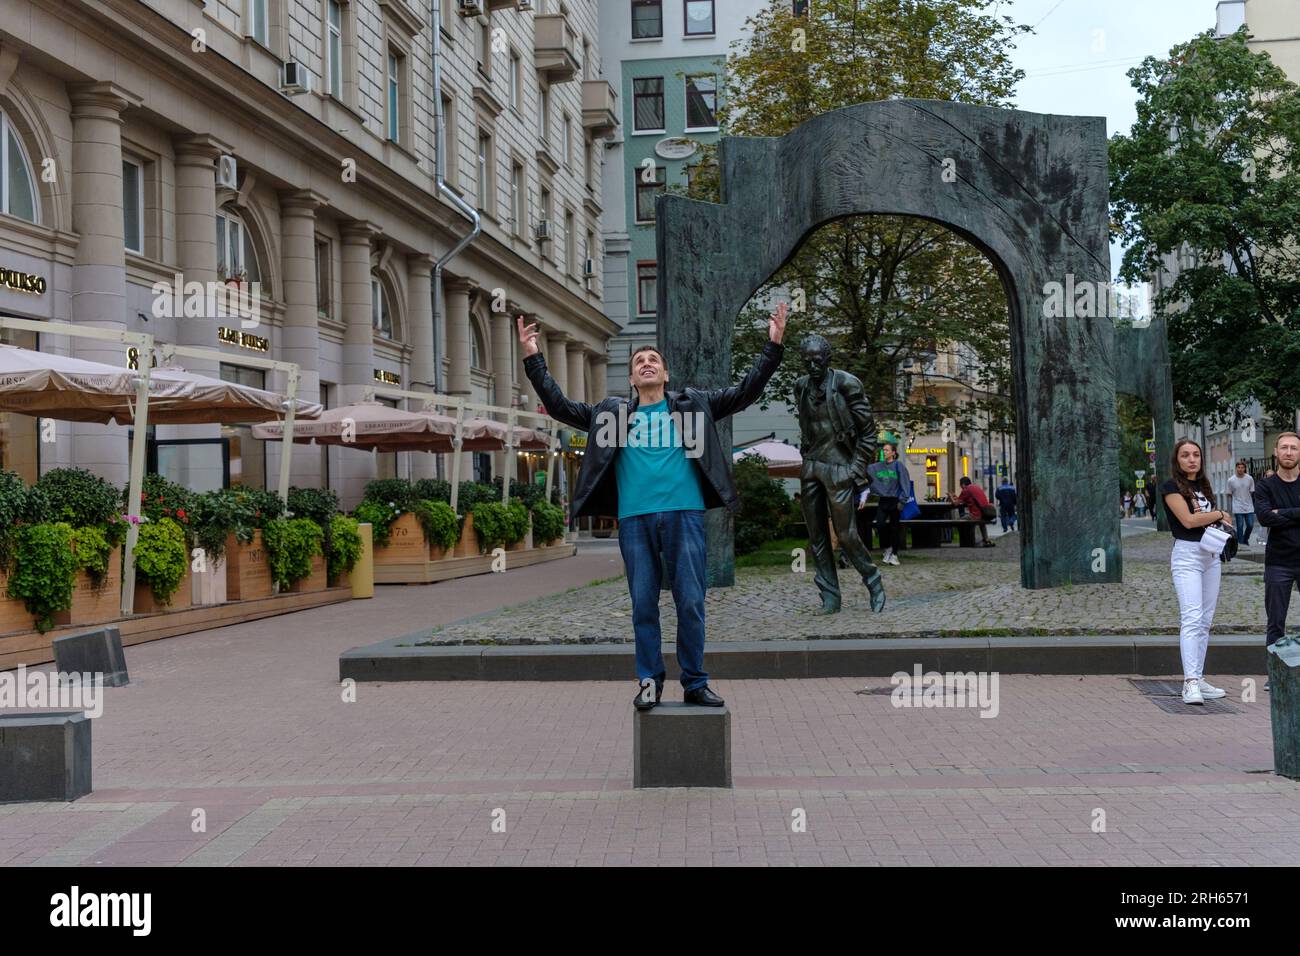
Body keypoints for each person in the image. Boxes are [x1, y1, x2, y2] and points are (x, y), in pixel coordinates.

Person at [519, 306, 786, 711]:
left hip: (686, 515)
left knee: (691, 602)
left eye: (653, 360)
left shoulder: (694, 405)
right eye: (639, 361)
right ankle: (649, 682)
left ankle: (695, 682)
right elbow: (558, 406)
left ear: (664, 375)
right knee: (643, 604)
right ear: (631, 378)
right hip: (635, 521)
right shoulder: (612, 414)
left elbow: (745, 391)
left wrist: (773, 345)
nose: (646, 364)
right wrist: (532, 356)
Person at [793, 335, 886, 614]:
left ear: (828, 358)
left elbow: (869, 433)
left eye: (817, 360)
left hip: (839, 467)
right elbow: (807, 427)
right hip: (811, 466)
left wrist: (855, 469)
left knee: (846, 535)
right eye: (807, 361)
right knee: (817, 537)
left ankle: (874, 581)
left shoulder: (847, 383)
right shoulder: (800, 386)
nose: (812, 366)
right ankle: (830, 597)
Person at [1161, 438, 1234, 705]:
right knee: (1191, 617)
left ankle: (1199, 677)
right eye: (1185, 455)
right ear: (1177, 460)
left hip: (1210, 555)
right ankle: (1189, 682)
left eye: (1196, 455)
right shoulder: (1171, 486)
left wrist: (1217, 516)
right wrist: (1219, 514)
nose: (1191, 459)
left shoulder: (1202, 486)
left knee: (1205, 620)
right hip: (1187, 556)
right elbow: (1189, 521)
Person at [1253, 434, 1300, 655]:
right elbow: (1264, 517)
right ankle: (1275, 675)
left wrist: (1280, 512)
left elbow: (1273, 516)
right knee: (1275, 623)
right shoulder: (1265, 486)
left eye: (1294, 448)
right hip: (1278, 562)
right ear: (1276, 451)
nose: (1289, 452)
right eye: (1284, 448)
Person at [857, 441, 911, 565]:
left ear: (893, 452)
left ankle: (895, 555)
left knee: (895, 528)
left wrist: (902, 501)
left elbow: (905, 483)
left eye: (887, 450)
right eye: (884, 450)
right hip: (883, 501)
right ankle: (888, 548)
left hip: (895, 500)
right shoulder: (877, 466)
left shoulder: (898, 466)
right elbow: (865, 470)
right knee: (880, 525)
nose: (884, 452)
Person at [950, 476, 994, 547]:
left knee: (958, 521)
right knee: (981, 523)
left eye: (960, 485)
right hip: (984, 514)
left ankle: (967, 540)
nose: (960, 487)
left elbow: (955, 504)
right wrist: (955, 497)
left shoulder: (966, 490)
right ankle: (986, 540)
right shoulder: (975, 487)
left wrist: (950, 496)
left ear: (963, 484)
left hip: (975, 515)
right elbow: (963, 499)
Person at [1227, 460, 1256, 547]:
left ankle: (1245, 539)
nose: (1240, 469)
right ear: (1236, 468)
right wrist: (1235, 501)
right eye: (1238, 467)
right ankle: (1241, 543)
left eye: (1242, 467)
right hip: (1237, 506)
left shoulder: (1249, 478)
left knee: (1250, 525)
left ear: (1245, 468)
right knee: (1240, 526)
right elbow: (1229, 493)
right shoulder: (1231, 480)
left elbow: (1251, 491)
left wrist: (1246, 499)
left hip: (1249, 506)